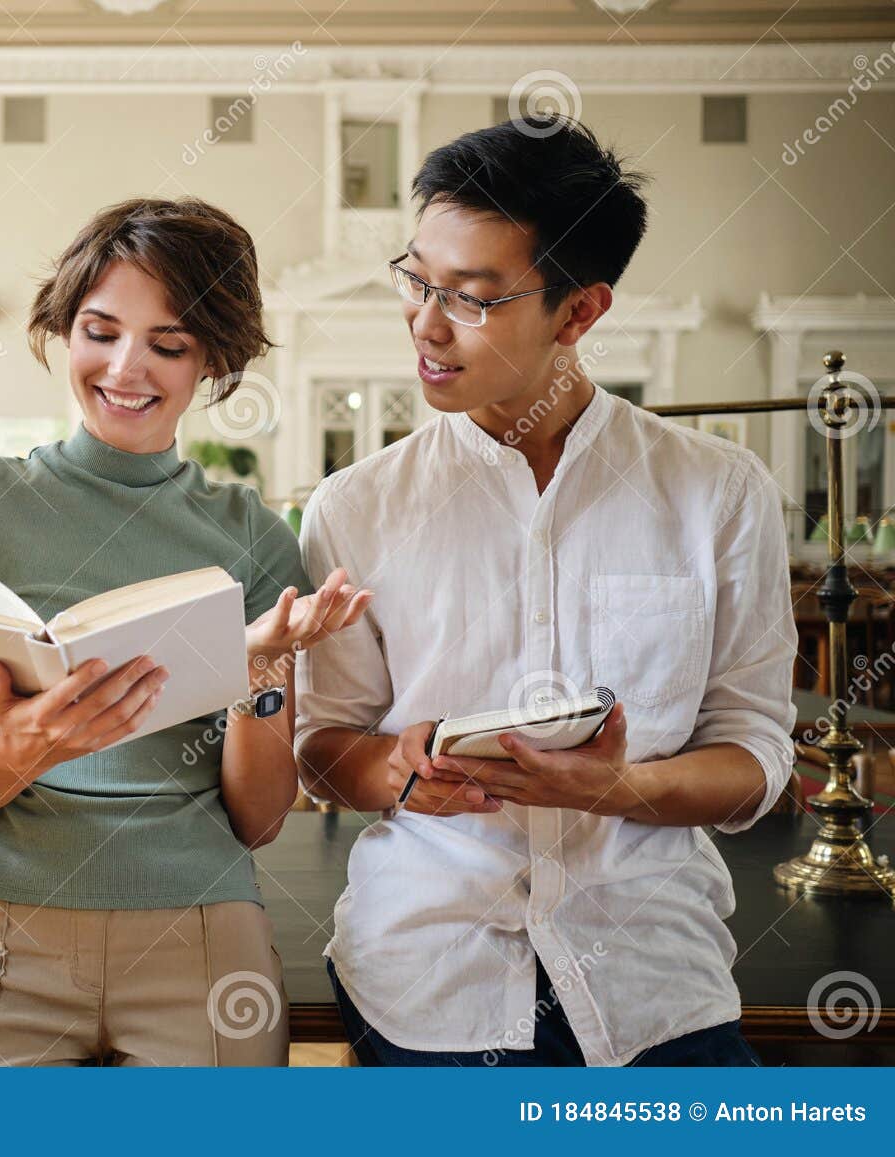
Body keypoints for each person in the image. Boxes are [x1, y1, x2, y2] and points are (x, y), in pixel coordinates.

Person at [295, 118, 795, 1067]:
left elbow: (756, 750)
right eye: (419, 281)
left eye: (473, 299)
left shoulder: (718, 493)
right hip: (427, 972)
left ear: (580, 313)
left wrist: (623, 786)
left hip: (653, 977)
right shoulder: (354, 508)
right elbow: (323, 746)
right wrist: (394, 767)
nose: (425, 324)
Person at [0, 197, 367, 1066]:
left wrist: (258, 662)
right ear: (63, 330)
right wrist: (29, 745)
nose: (125, 368)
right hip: (2, 916)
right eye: (99, 329)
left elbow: (261, 817)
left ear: (211, 363)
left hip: (200, 920)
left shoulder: (254, 538)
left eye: (168, 343)